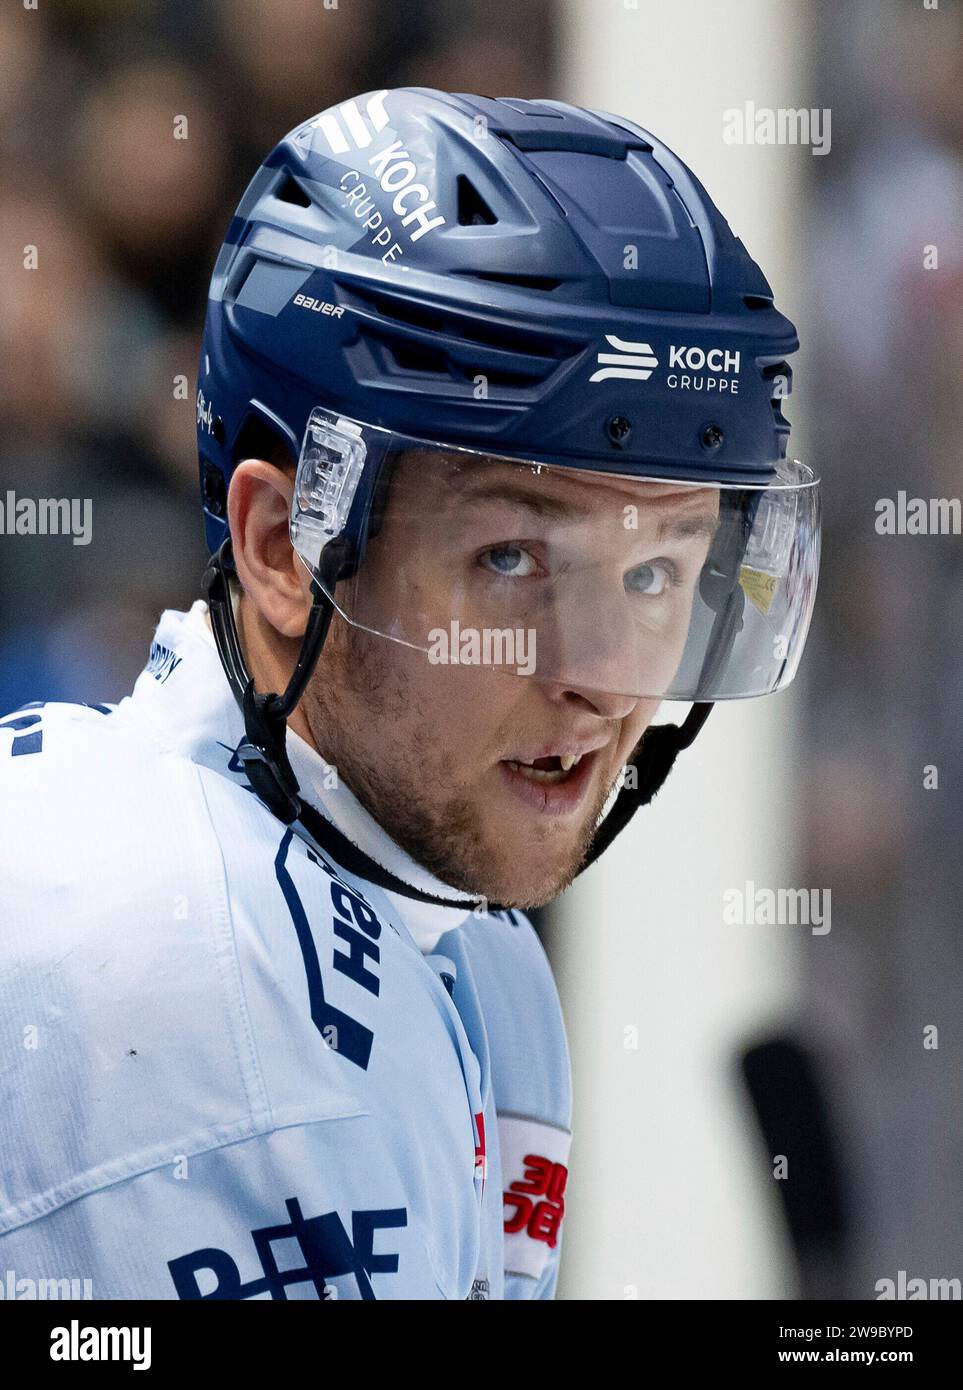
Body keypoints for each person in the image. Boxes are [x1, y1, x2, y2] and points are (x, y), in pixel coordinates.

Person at [0, 89, 819, 1300]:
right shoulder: (174, 965)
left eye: (654, 570)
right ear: (285, 548)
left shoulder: (471, 951)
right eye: (510, 559)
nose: (596, 675)